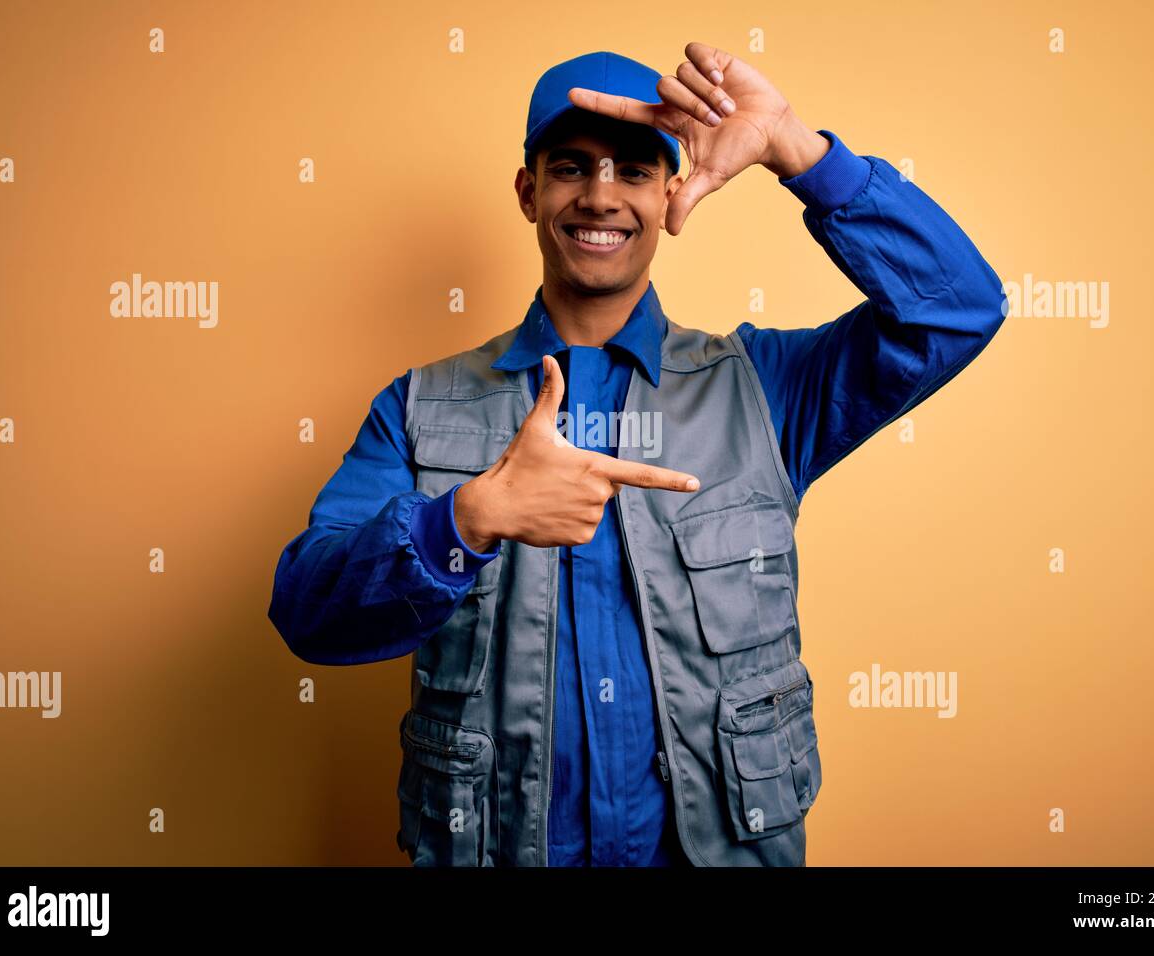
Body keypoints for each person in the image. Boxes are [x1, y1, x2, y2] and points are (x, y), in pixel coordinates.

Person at [268, 43, 1007, 867]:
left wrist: (797, 148)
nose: (600, 197)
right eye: (571, 168)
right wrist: (466, 520)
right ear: (529, 192)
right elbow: (306, 612)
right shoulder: (417, 408)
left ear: (671, 191)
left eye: (633, 171)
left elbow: (960, 308)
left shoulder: (765, 390)